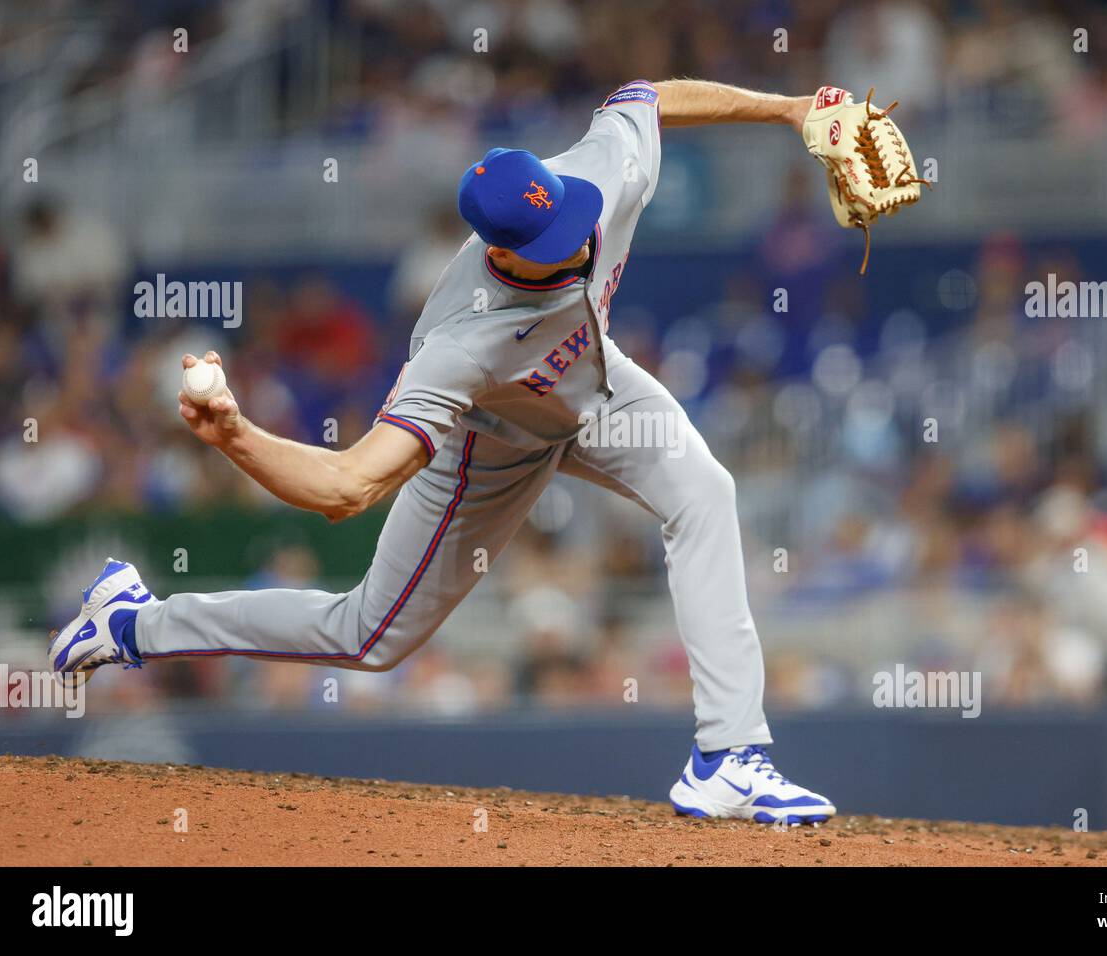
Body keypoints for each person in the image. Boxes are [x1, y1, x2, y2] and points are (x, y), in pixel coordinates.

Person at [49, 79, 838, 824]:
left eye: (566, 218)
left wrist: (790, 108)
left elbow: (649, 98)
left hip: (597, 389)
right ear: (500, 251)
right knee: (366, 636)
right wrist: (234, 436)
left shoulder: (596, 177)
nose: (576, 240)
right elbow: (347, 487)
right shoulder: (458, 346)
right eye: (549, 240)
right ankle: (134, 625)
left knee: (706, 491)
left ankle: (728, 755)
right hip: (489, 444)